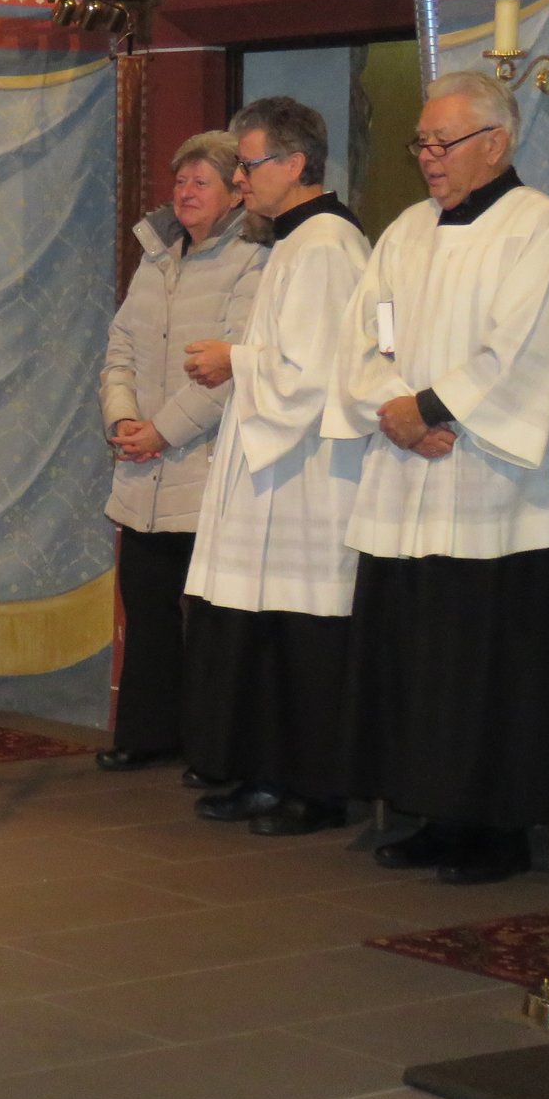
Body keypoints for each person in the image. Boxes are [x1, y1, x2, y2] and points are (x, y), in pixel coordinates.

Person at [324, 70, 549, 886]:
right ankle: (433, 812)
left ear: (496, 143)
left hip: (503, 495)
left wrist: (433, 409)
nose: (428, 159)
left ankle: (498, 828)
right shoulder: (406, 231)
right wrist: (396, 410)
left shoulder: (538, 228)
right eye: (421, 144)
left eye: (442, 144)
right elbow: (364, 339)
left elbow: (523, 349)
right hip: (413, 477)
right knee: (419, 658)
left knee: (492, 666)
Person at [180, 98, 369, 835]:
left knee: (303, 640)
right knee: (263, 637)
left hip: (308, 479)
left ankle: (314, 787)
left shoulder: (326, 245)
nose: (241, 179)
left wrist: (237, 359)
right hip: (274, 471)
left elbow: (316, 371)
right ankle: (267, 772)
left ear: (294, 164)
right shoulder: (294, 241)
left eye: (249, 164)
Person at [95, 132, 267, 773]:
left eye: (202, 182)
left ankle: (209, 747)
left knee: (211, 623)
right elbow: (121, 350)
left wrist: (163, 431)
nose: (185, 193)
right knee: (148, 609)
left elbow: (230, 370)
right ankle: (146, 734)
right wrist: (124, 419)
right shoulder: (155, 258)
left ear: (234, 195)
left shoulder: (253, 260)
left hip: (205, 467)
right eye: (180, 181)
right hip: (143, 467)